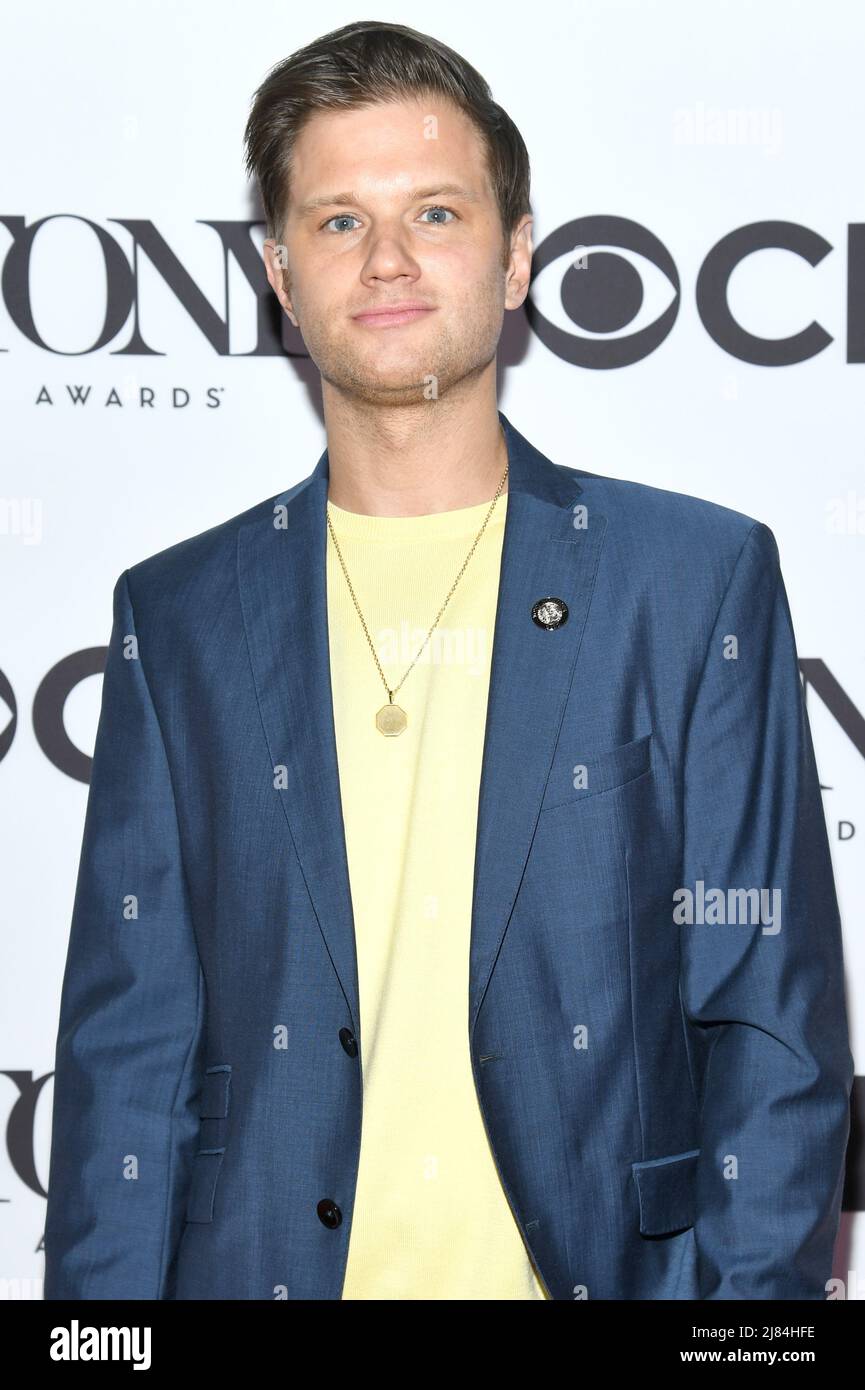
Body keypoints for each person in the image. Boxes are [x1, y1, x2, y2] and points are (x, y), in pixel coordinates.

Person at [44, 20, 853, 1301]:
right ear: (277, 273)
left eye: (434, 211)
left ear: (518, 253)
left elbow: (769, 1026)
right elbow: (127, 1055)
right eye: (337, 222)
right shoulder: (182, 613)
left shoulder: (689, 581)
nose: (386, 261)